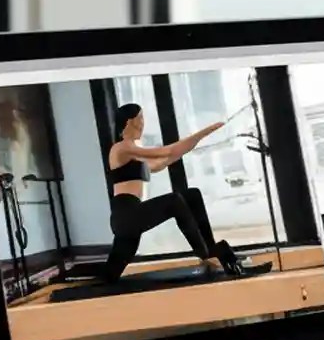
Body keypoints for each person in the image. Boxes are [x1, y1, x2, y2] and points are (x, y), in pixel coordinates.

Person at [104, 103, 244, 280]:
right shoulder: (121, 148)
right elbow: (168, 151)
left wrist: (199, 138)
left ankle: (211, 249)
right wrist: (203, 132)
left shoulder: (136, 156)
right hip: (126, 216)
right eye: (140, 119)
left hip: (133, 216)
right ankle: (206, 255)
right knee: (174, 201)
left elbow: (169, 157)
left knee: (192, 195)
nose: (143, 124)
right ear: (129, 122)